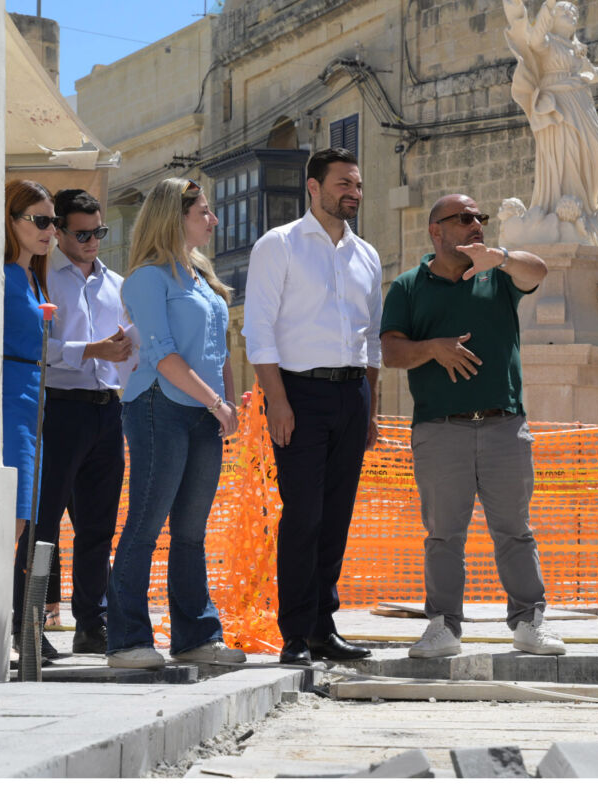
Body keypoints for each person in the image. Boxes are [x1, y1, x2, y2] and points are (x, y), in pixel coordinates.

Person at [381, 194, 567, 659]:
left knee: (515, 531)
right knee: (445, 534)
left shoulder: (498, 276)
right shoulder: (407, 287)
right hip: (440, 430)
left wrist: (501, 257)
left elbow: (538, 271)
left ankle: (529, 623)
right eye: (464, 219)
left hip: (505, 426)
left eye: (480, 218)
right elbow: (390, 353)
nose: (476, 225)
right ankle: (443, 628)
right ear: (436, 231)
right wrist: (435, 348)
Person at [242, 148, 382, 666]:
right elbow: (258, 330)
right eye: (344, 183)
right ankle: (295, 635)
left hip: (352, 396)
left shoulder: (366, 254)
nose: (353, 193)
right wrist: (275, 400)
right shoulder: (277, 246)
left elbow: (372, 342)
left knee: (337, 517)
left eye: (358, 185)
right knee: (303, 516)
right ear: (313, 187)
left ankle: (325, 627)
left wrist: (369, 412)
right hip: (297, 395)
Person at [106, 178, 245, 669]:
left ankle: (196, 637)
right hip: (157, 409)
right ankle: (126, 641)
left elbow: (218, 351)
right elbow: (162, 355)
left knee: (190, 531)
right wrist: (217, 403)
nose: (213, 220)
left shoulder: (202, 278)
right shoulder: (146, 278)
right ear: (175, 216)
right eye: (203, 212)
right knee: (145, 524)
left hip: (204, 415)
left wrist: (225, 403)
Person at [16, 189, 131, 657]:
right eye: (81, 233)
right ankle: (29, 626)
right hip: (59, 410)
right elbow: (34, 347)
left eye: (98, 232)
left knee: (98, 525)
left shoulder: (117, 284)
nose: (92, 241)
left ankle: (92, 624)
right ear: (58, 231)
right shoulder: (41, 279)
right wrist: (91, 349)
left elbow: (128, 349)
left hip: (108, 409)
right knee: (43, 526)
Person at [3, 179, 64, 661]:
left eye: (53, 223)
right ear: (13, 219)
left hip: (33, 398)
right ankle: (11, 626)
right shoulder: (4, 275)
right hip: (9, 397)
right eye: (40, 221)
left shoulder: (33, 279)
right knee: (16, 520)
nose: (50, 231)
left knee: (28, 516)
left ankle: (23, 628)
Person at [503, 0, 598, 216]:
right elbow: (535, 37)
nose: (572, 15)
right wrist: (548, 6)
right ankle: (566, 206)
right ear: (553, 17)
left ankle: (587, 205)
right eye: (565, 11)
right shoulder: (545, 42)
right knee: (567, 154)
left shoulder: (575, 49)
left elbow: (591, 74)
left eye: (574, 12)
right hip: (558, 102)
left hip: (580, 100)